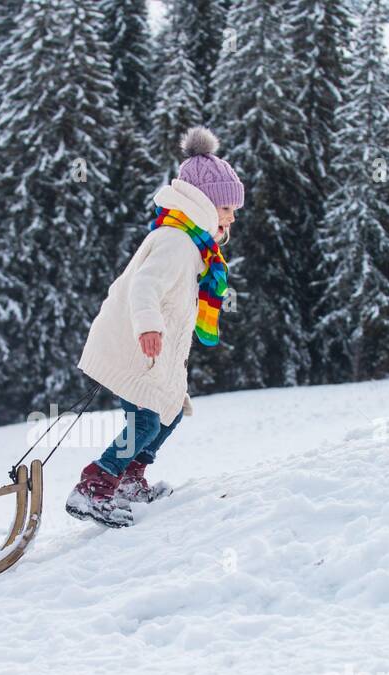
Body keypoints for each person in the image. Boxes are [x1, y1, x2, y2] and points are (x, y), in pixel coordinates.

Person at [67, 126, 243, 527]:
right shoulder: (176, 241)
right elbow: (144, 285)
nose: (231, 219)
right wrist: (148, 327)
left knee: (170, 414)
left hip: (155, 354)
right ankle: (96, 484)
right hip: (136, 347)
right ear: (203, 203)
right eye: (226, 209)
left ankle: (130, 479)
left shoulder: (193, 246)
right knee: (146, 420)